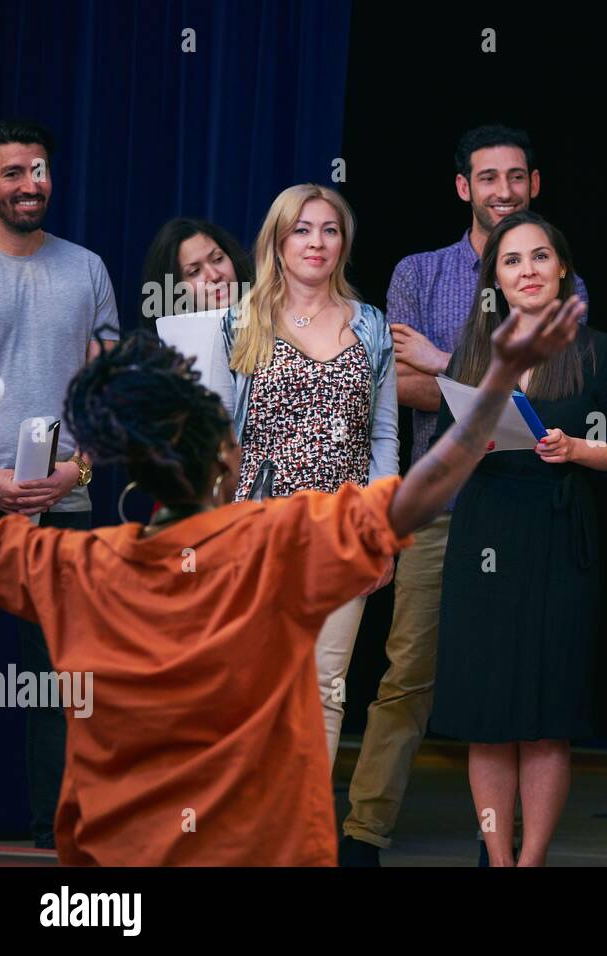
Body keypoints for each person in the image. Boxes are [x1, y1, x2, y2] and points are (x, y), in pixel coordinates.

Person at [0, 299, 582, 866]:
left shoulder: (70, 567)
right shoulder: (282, 545)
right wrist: (500, 374)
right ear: (229, 460)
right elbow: (421, 495)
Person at [340, 124, 588, 866]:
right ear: (463, 188)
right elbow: (398, 383)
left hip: (533, 512)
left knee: (520, 690)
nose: (504, 191)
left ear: (534, 185)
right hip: (442, 507)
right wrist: (485, 382)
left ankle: (501, 850)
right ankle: (364, 834)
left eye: (517, 177)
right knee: (406, 678)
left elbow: (563, 388)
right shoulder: (418, 272)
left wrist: (450, 369)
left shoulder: (562, 276)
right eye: (488, 178)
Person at [426, 211, 607, 867]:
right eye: (512, 260)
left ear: (562, 269)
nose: (527, 270)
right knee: (488, 718)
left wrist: (578, 448)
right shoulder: (472, 354)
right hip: (485, 533)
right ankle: (498, 855)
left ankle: (532, 860)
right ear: (496, 279)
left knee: (548, 719)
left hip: (557, 533)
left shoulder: (600, 351)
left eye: (539, 257)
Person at [219, 182, 397, 765]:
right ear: (277, 240)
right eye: (302, 229)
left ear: (343, 243)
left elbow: (384, 436)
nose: (316, 242)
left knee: (324, 688)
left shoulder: (370, 325)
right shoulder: (238, 322)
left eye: (329, 230)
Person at [0, 118, 119, 849]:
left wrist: (81, 466)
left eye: (39, 171)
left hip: (64, 497)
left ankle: (53, 836)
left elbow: (107, 390)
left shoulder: (87, 268)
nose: (30, 185)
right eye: (13, 172)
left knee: (59, 681)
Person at [139, 217, 254, 326]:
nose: (214, 276)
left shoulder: (269, 321)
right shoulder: (168, 345)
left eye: (218, 259)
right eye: (194, 271)